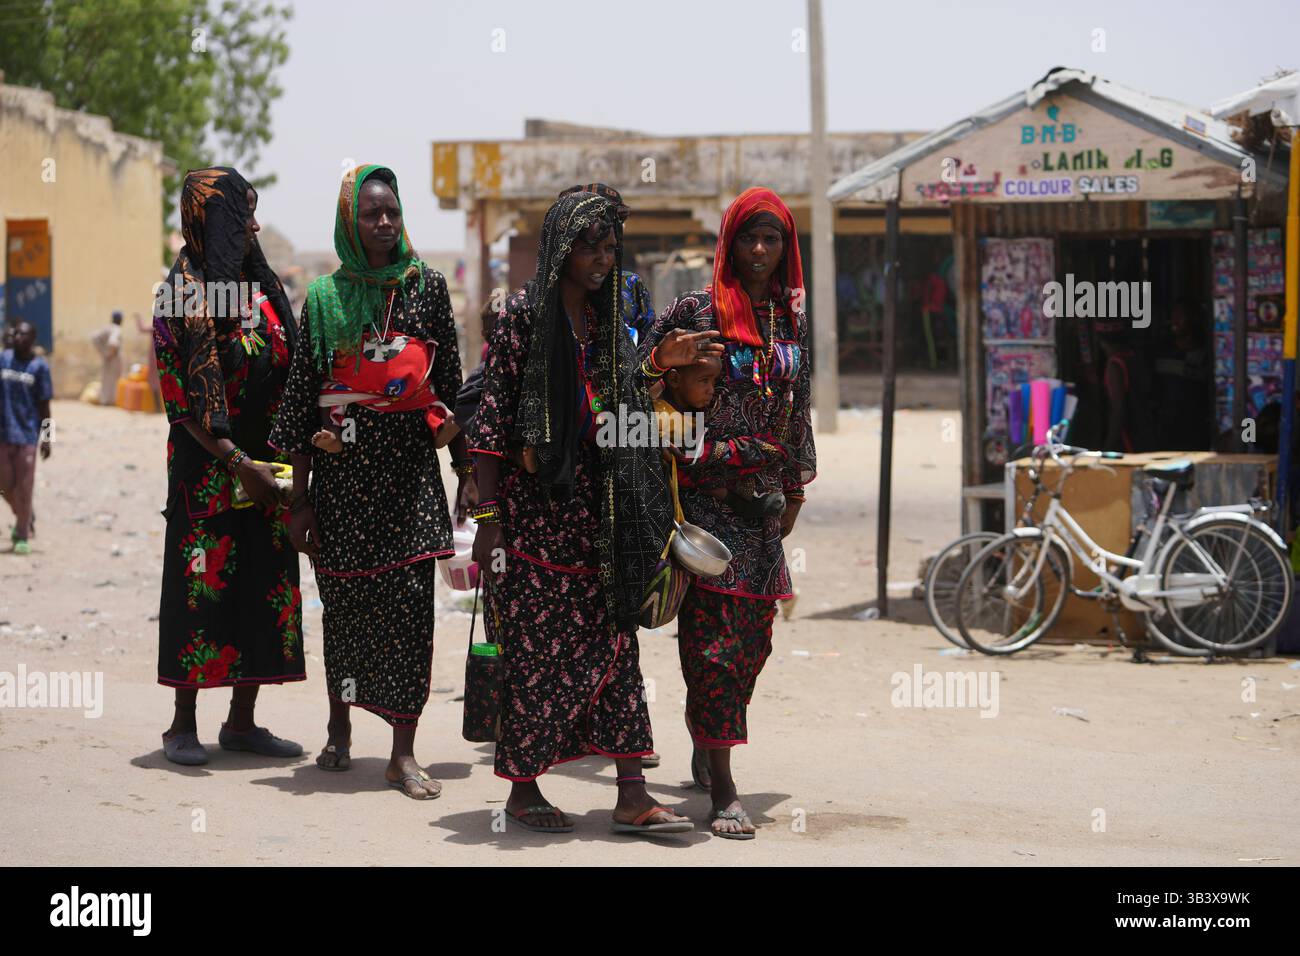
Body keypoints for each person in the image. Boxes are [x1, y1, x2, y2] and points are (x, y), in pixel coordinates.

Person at [469, 190, 720, 834]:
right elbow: (492, 423)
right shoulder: (524, 320)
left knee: (617, 647)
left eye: (611, 247)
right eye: (590, 245)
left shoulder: (611, 322)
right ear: (561, 248)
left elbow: (628, 402)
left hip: (602, 520)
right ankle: (523, 791)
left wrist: (661, 364)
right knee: (535, 655)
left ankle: (632, 793)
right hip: (534, 523)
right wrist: (489, 521)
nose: (603, 258)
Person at [270, 164, 469, 800]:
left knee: (412, 615)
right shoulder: (324, 300)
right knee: (348, 614)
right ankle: (339, 727)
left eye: (392, 212)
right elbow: (304, 398)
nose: (384, 223)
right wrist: (299, 499)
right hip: (342, 483)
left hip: (411, 479)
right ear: (350, 222)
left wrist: (469, 477)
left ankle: (402, 752)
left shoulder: (428, 289)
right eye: (370, 214)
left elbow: (453, 387)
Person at [642, 186, 816, 839]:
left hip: (763, 505)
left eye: (773, 239)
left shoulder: (791, 317)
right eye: (750, 237)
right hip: (706, 501)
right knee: (712, 649)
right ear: (730, 241)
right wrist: (669, 368)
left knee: (753, 643)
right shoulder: (698, 309)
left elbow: (798, 407)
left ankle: (709, 732)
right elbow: (641, 378)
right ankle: (723, 788)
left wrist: (795, 487)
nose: (761, 250)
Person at [153, 167, 304, 766]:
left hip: (267, 476)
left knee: (264, 590)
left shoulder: (261, 289)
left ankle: (242, 723)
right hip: (208, 477)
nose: (255, 225)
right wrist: (238, 462)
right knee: (201, 593)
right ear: (213, 220)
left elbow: (289, 367)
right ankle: (181, 723)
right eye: (244, 213)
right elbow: (178, 403)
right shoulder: (179, 293)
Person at [656, 351, 787, 520]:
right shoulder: (663, 415)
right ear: (674, 379)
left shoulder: (686, 413)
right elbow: (689, 455)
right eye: (704, 381)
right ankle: (742, 502)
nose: (711, 390)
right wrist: (744, 450)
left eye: (714, 382)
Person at [0, 320, 53, 555]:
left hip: (27, 436)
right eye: (17, 334)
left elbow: (45, 405)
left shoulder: (39, 367)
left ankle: (22, 533)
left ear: (32, 339)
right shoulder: (4, 360)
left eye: (24, 334)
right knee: (4, 484)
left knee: (25, 486)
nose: (19, 337)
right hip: (3, 433)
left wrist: (48, 438)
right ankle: (25, 513)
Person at [91, 311, 124, 405]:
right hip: (114, 357)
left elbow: (94, 337)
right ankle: (111, 401)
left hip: (107, 358)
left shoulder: (107, 328)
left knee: (106, 379)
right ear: (120, 320)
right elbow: (113, 342)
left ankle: (104, 400)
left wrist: (103, 352)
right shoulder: (117, 329)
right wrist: (109, 353)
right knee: (114, 380)